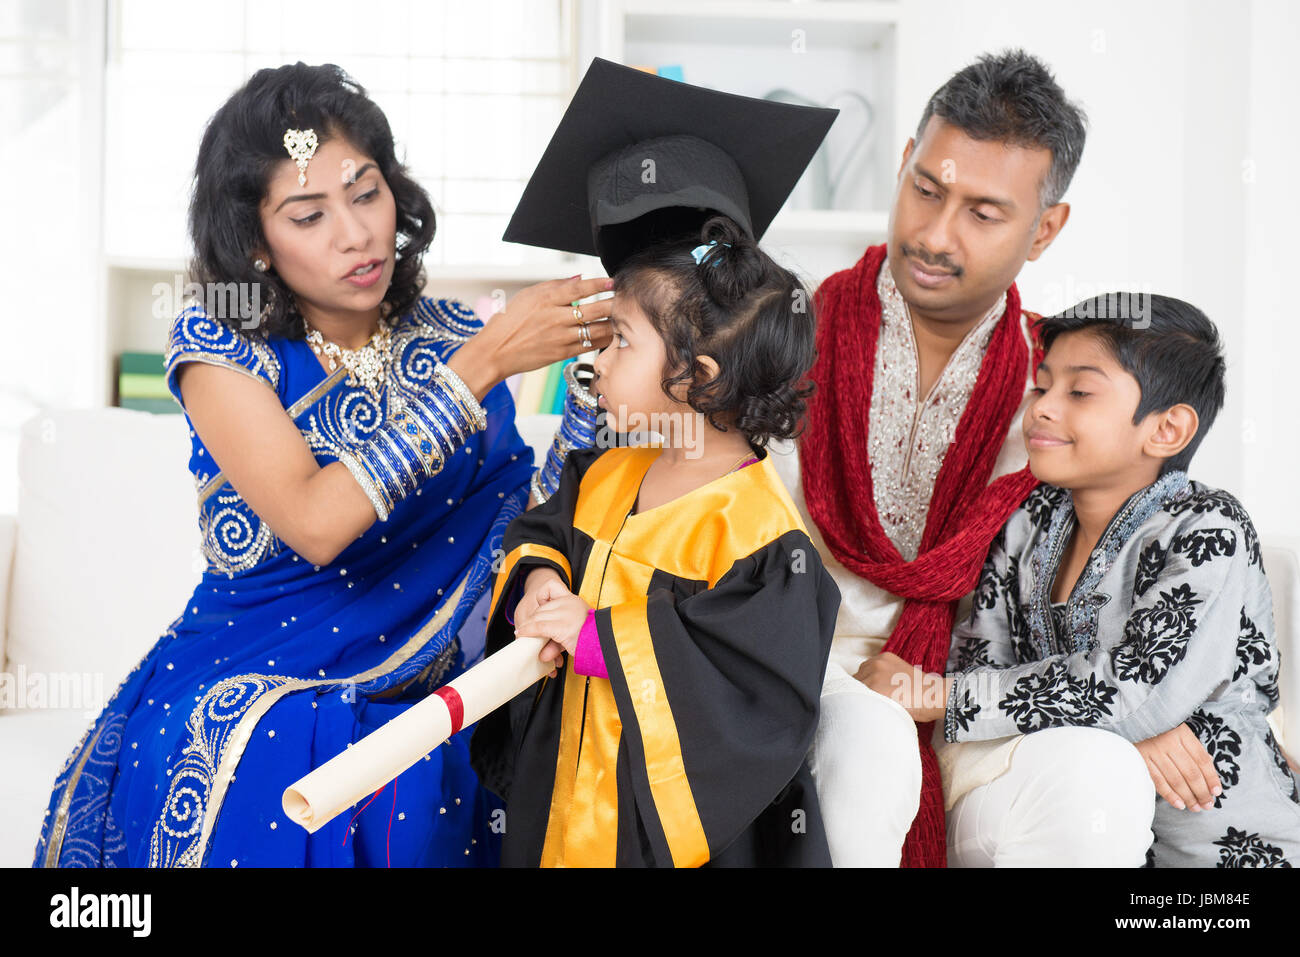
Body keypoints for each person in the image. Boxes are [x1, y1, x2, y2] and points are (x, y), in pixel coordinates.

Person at [32, 62, 614, 868]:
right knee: (285, 753)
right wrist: (482, 364)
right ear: (255, 245)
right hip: (257, 671)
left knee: (497, 737)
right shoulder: (219, 346)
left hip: (441, 667)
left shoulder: (448, 333)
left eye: (366, 192)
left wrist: (600, 387)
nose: (356, 233)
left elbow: (524, 528)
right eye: (308, 214)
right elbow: (314, 522)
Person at [767, 47, 1103, 867]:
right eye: (926, 188)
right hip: (799, 675)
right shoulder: (785, 335)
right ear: (903, 166)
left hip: (962, 694)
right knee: (873, 751)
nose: (934, 234)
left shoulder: (1062, 391)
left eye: (983, 213)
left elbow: (1110, 581)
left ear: (1044, 229)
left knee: (1101, 783)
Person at [470, 215, 841, 866]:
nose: (597, 363)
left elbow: (757, 694)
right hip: (563, 782)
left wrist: (598, 638)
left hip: (657, 828)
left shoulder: (759, 532)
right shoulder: (610, 471)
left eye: (620, 343)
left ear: (696, 377)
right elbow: (542, 533)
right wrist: (540, 581)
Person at [880, 294, 1300, 867]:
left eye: (1079, 392)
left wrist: (934, 696)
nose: (1043, 409)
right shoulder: (1026, 523)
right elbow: (982, 666)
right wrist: (1118, 731)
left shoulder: (1207, 527)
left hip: (1234, 847)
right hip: (1081, 826)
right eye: (1042, 385)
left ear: (1167, 429)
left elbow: (1138, 687)